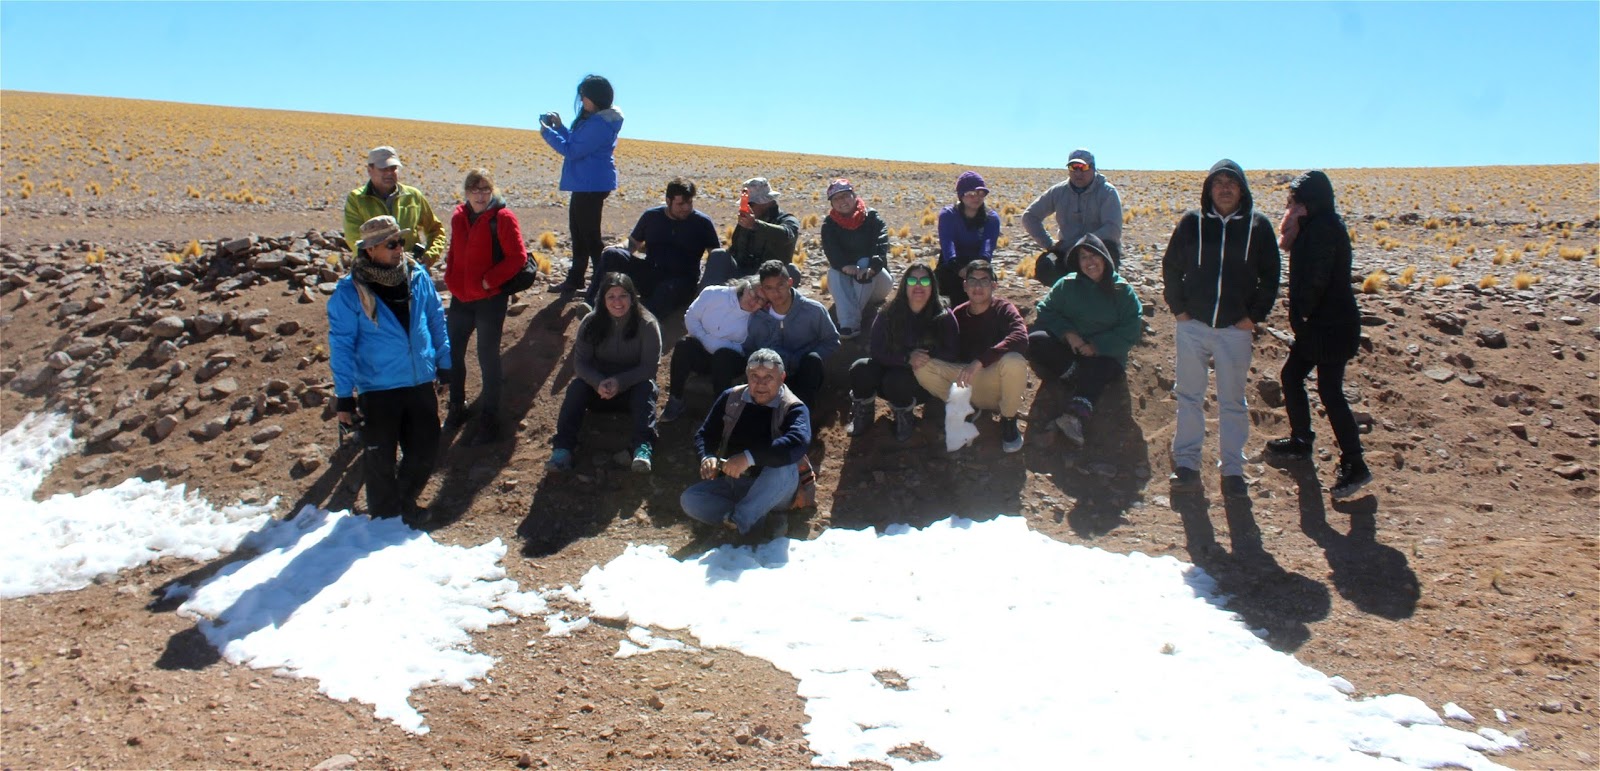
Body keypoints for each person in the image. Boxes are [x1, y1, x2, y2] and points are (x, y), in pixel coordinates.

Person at [1161, 159, 1281, 498]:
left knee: (1232, 401)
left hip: (1234, 329)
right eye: (1218, 182)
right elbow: (1171, 266)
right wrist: (1179, 309)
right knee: (1189, 395)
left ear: (1241, 188)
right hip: (1193, 325)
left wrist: (1253, 316)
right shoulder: (1191, 223)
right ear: (1208, 189)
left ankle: (1232, 469)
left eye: (1232, 182)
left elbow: (1271, 276)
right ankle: (1186, 464)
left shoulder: (1258, 227)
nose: (1225, 188)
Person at [327, 215, 450, 524]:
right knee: (380, 459)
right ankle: (385, 521)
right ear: (369, 250)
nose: (399, 249)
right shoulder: (350, 291)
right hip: (378, 386)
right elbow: (341, 345)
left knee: (425, 449)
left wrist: (445, 362)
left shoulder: (417, 275)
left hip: (419, 380)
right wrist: (344, 396)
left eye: (401, 242)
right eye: (391, 244)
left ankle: (401, 506)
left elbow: (435, 318)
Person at [1264, 170, 1371, 499]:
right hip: (1323, 324)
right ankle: (1302, 441)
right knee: (1297, 377)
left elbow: (1316, 279)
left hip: (1328, 327)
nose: (1290, 205)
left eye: (1295, 199)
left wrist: (1303, 313)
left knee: (1327, 390)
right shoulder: (1317, 225)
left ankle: (1354, 463)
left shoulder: (1322, 229)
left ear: (1311, 201)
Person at [681, 348, 812, 538]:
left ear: (782, 377)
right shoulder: (730, 397)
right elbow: (706, 433)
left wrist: (749, 458)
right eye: (754, 376)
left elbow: (798, 442)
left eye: (768, 377)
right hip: (734, 481)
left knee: (784, 467)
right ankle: (757, 519)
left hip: (775, 488)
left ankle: (738, 525)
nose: (761, 384)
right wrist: (707, 456)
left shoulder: (793, 407)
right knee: (691, 500)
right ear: (747, 376)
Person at [1026, 235, 1143, 448]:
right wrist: (1069, 334)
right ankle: (1074, 376)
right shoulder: (1067, 285)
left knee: (1101, 367)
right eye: (1084, 257)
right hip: (1074, 349)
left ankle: (1074, 416)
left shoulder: (1122, 291)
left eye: (1095, 256)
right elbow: (1045, 310)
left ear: (1105, 258)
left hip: (1105, 355)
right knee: (1035, 341)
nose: (1090, 262)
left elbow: (1132, 329)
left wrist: (1096, 346)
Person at [441, 169, 527, 446]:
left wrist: (490, 281)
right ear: (466, 192)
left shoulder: (502, 218)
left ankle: (489, 417)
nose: (480, 195)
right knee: (454, 353)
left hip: (490, 299)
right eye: (475, 190)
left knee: (487, 357)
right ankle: (457, 406)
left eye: (485, 190)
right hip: (461, 297)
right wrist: (450, 277)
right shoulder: (458, 216)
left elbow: (518, 257)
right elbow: (454, 250)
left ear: (492, 191)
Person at [547, 273, 662, 474]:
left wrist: (619, 381)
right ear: (602, 299)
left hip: (631, 390)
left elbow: (649, 368)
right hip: (598, 390)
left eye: (623, 295)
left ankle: (642, 448)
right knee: (576, 388)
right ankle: (562, 449)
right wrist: (598, 382)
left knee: (647, 387)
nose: (618, 302)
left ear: (632, 297)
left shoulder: (647, 324)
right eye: (611, 296)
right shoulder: (590, 323)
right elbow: (580, 363)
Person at [914, 260, 1030, 452]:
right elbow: (942, 346)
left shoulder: (1003, 309)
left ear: (994, 285)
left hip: (996, 383)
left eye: (984, 281)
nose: (978, 286)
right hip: (967, 381)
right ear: (965, 286)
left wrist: (980, 361)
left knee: (1014, 361)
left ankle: (1008, 419)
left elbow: (1020, 337)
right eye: (973, 281)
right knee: (921, 365)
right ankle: (966, 408)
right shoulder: (957, 314)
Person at [847, 263, 957, 442]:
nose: (918, 285)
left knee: (897, 380)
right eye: (912, 280)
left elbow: (951, 352)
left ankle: (905, 414)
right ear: (905, 285)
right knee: (860, 368)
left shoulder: (944, 315)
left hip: (920, 383)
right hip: (889, 372)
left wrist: (926, 358)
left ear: (933, 285)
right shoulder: (888, 313)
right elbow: (876, 350)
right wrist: (906, 358)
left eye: (924, 280)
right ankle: (863, 413)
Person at [540, 74, 624, 298]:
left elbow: (573, 150)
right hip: (586, 183)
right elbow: (577, 143)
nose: (581, 100)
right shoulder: (597, 120)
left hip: (591, 185)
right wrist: (559, 128)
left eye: (584, 95)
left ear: (594, 97)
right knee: (579, 233)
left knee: (589, 236)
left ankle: (599, 284)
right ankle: (576, 280)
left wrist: (548, 133)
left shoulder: (599, 124)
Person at [590, 177, 721, 316]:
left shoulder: (702, 223)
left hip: (682, 281)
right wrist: (618, 247)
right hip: (651, 273)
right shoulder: (651, 217)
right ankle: (591, 308)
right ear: (668, 201)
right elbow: (633, 243)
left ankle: (638, 321)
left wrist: (706, 287)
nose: (686, 208)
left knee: (665, 292)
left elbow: (716, 257)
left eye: (689, 202)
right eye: (681, 204)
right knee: (611, 254)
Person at [660, 277, 766, 423]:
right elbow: (691, 318)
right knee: (684, 345)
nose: (754, 301)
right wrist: (707, 340)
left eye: (761, 300)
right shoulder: (714, 294)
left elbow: (749, 348)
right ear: (746, 286)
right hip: (703, 352)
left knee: (723, 356)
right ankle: (675, 399)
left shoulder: (758, 319)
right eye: (753, 294)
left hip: (731, 361)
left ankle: (720, 410)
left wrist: (719, 345)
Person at [744, 260, 840, 408]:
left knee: (812, 360)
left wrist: (798, 358)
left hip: (805, 375)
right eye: (769, 288)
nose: (776, 293)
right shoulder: (757, 318)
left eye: (780, 285)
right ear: (763, 289)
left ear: (790, 282)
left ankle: (804, 418)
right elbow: (749, 349)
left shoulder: (813, 310)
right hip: (772, 378)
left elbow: (832, 341)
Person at [1023, 148, 1123, 287]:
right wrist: (1049, 245)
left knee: (1102, 265)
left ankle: (1104, 297)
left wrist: (1081, 245)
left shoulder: (1107, 192)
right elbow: (1030, 216)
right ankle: (1066, 299)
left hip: (1099, 250)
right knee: (1046, 265)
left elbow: (1112, 230)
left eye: (1083, 167)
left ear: (1093, 168)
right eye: (1073, 167)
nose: (1078, 173)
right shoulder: (1058, 191)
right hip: (1067, 252)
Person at [342, 146, 446, 267]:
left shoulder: (413, 196)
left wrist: (429, 256)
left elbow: (436, 230)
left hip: (411, 270)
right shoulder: (357, 199)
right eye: (383, 168)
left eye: (393, 168)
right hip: (370, 272)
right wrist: (382, 262)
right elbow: (354, 239)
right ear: (370, 169)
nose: (389, 173)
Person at [818, 178, 893, 339]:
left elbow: (881, 245)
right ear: (831, 203)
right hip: (847, 280)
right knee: (834, 272)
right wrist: (844, 266)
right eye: (836, 198)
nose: (842, 201)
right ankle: (848, 326)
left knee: (864, 263)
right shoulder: (829, 225)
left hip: (878, 282)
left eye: (845, 195)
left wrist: (872, 267)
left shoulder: (873, 218)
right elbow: (831, 251)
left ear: (854, 195)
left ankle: (850, 322)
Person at [699, 177, 802, 287]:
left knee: (791, 271)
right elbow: (734, 250)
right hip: (741, 273)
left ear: (766, 202)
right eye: (744, 204)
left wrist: (756, 225)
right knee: (719, 255)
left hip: (767, 277)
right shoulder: (747, 221)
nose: (746, 208)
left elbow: (787, 235)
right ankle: (706, 300)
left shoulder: (786, 220)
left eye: (750, 204)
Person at [935, 171, 1001, 307]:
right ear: (961, 196)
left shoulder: (991, 218)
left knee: (980, 291)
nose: (976, 197)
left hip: (979, 265)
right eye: (971, 193)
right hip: (951, 265)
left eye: (981, 193)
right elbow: (948, 245)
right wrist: (960, 270)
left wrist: (976, 273)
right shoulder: (948, 215)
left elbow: (987, 247)